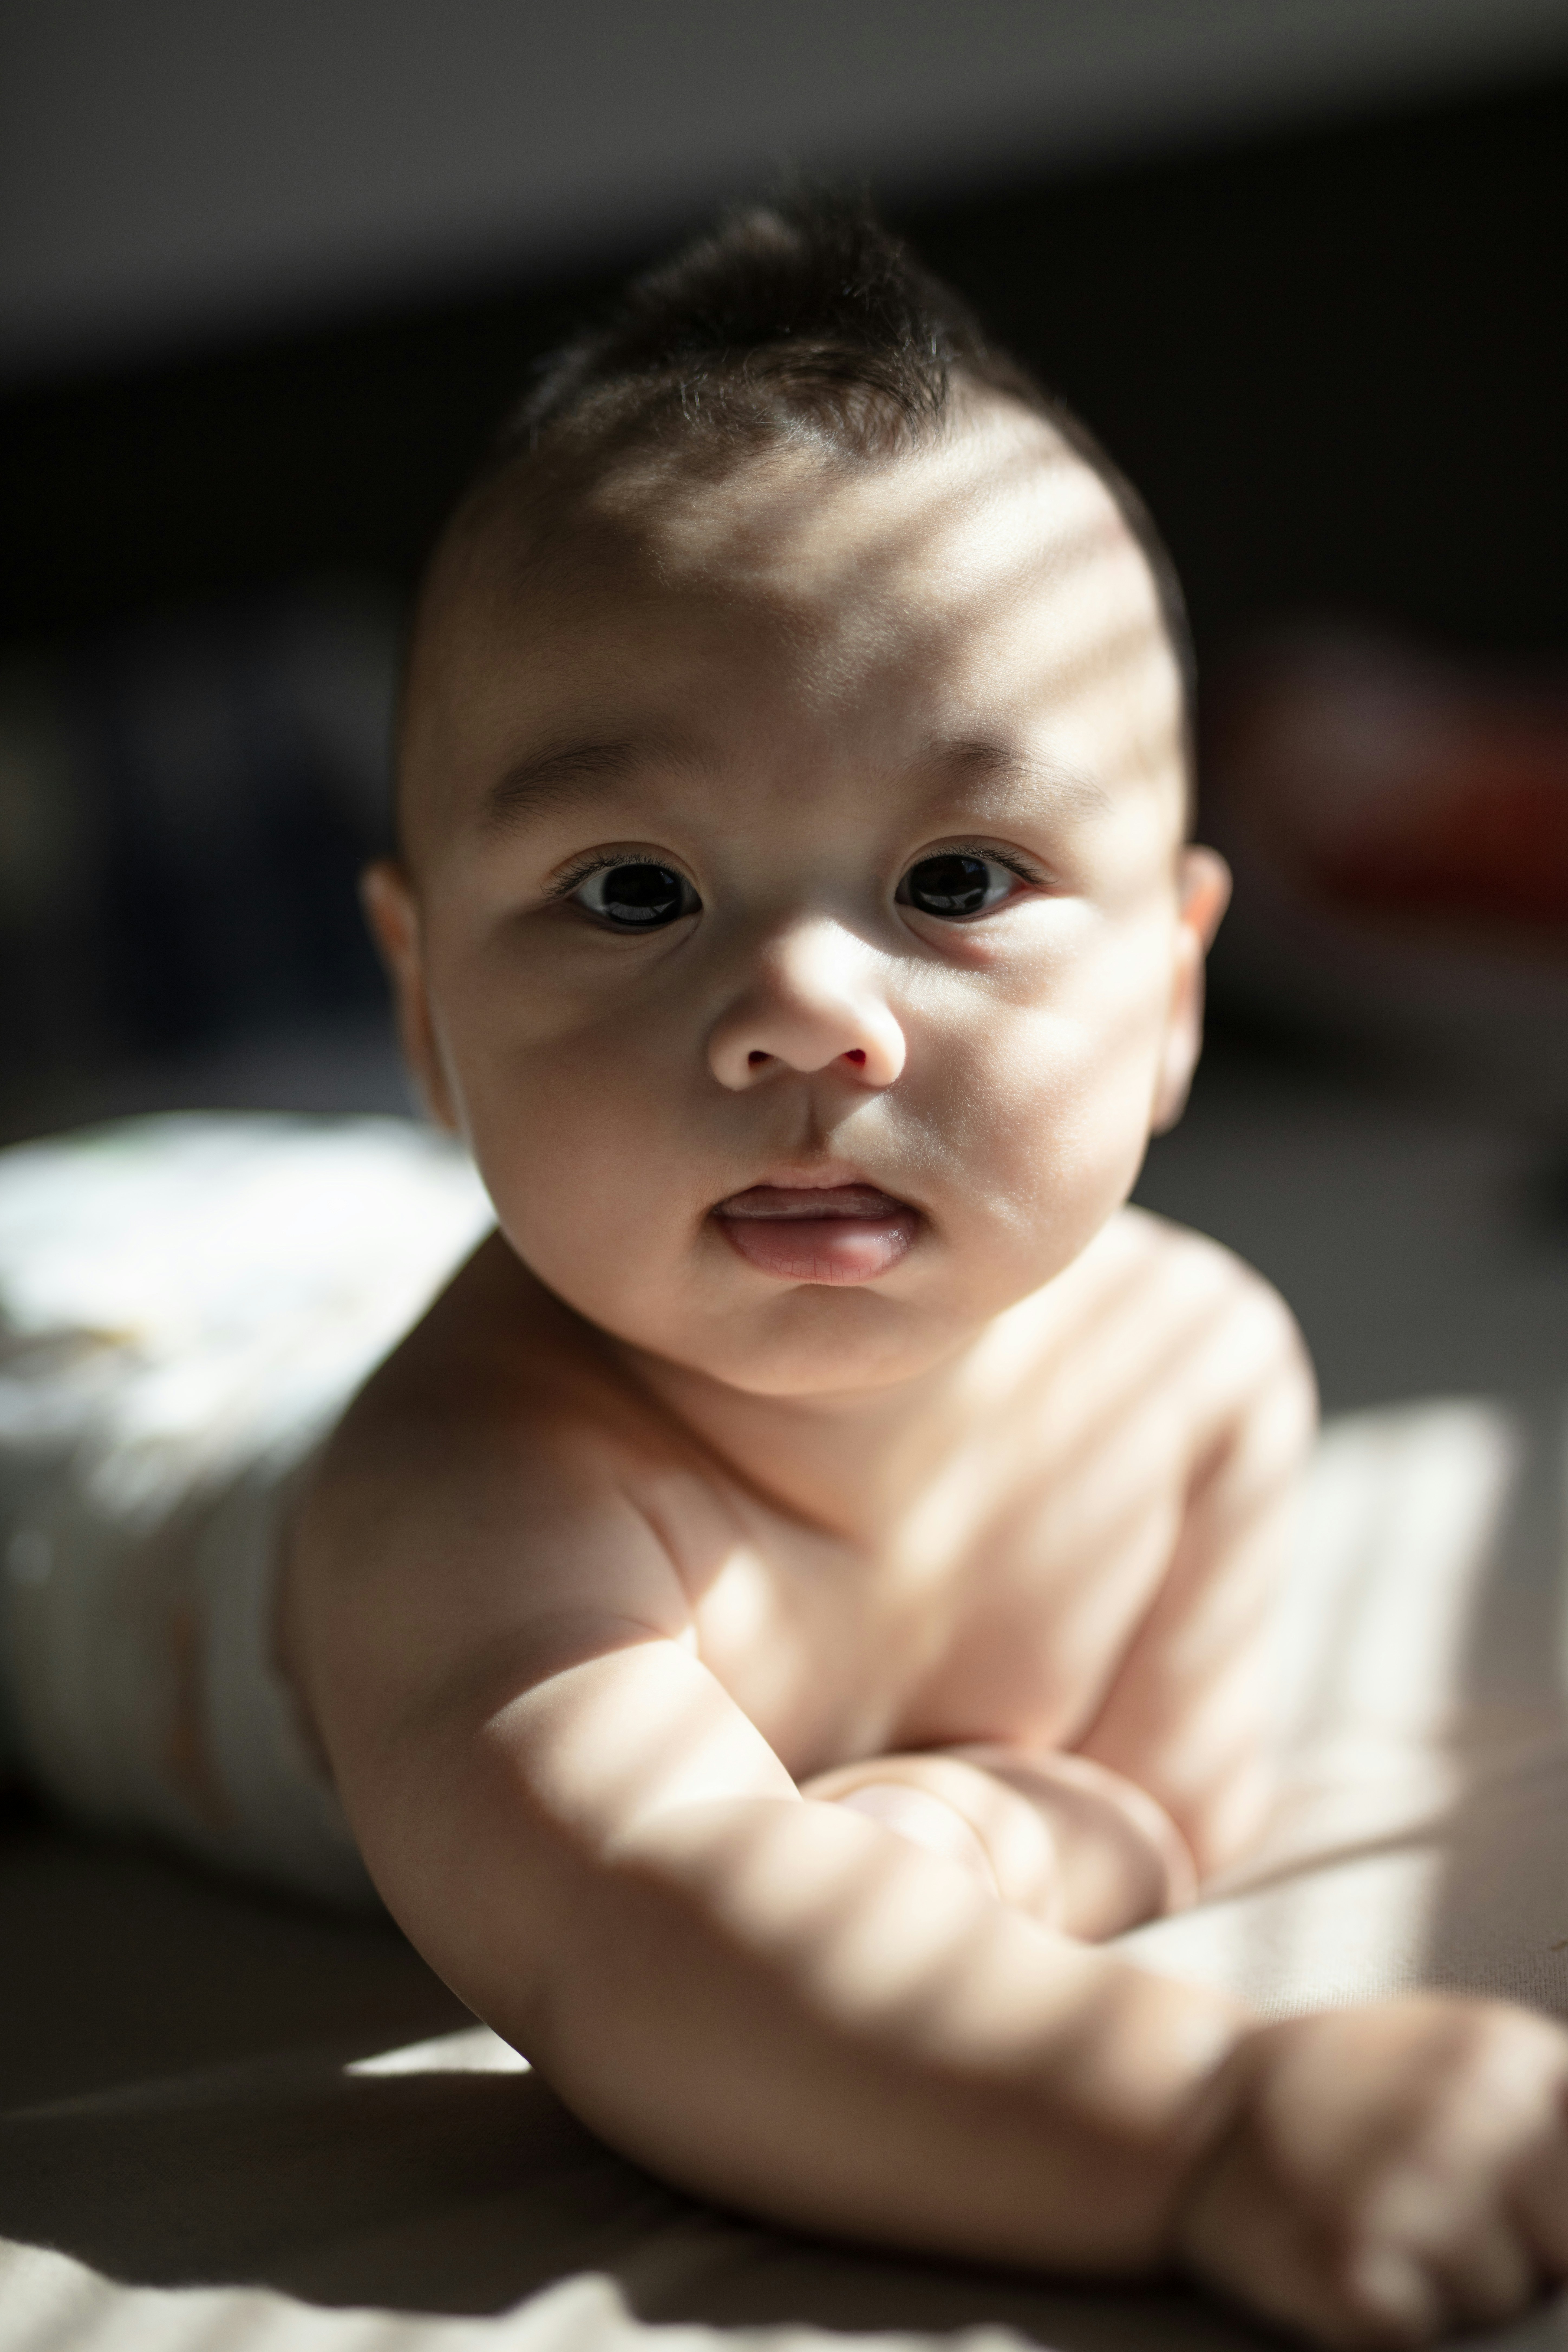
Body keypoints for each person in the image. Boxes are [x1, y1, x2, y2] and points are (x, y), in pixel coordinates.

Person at [19, 192, 1568, 2347]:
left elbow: (1152, 1798)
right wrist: (1205, 2124)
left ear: (1174, 995)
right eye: (635, 892)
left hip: (325, 1232)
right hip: (91, 1359)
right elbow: (650, 1937)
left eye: (960, 878)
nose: (805, 1018)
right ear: (427, 1009)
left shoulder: (1198, 1381)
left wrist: (991, 1835)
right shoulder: (471, 1504)